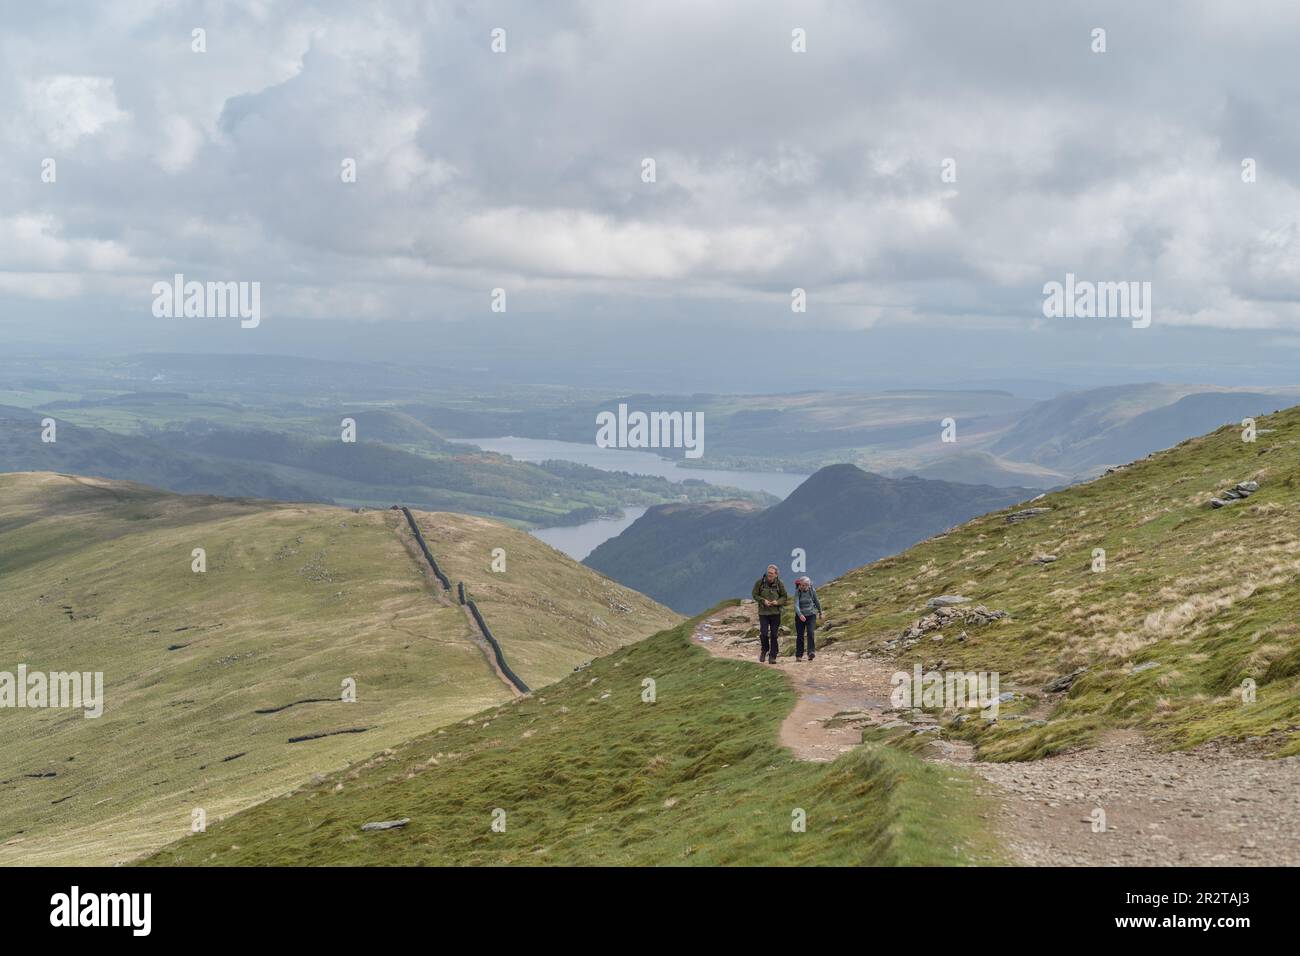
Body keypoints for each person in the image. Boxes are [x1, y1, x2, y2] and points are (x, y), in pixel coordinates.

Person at [751, 564, 787, 663]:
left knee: (774, 635)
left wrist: (777, 602)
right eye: (768, 573)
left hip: (775, 613)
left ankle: (773, 656)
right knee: (763, 633)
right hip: (763, 613)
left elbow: (784, 597)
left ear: (776, 574)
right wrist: (763, 601)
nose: (769, 575)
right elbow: (754, 594)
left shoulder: (780, 584)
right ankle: (764, 650)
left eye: (771, 573)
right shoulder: (760, 583)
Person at [792, 576, 821, 661]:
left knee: (810, 632)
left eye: (805, 585)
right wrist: (800, 614)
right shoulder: (797, 592)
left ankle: (811, 653)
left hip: (811, 614)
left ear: (809, 585)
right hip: (800, 616)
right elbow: (796, 605)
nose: (802, 587)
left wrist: (820, 612)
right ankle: (799, 655)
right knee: (800, 635)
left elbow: (816, 601)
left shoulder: (812, 590)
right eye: (801, 585)